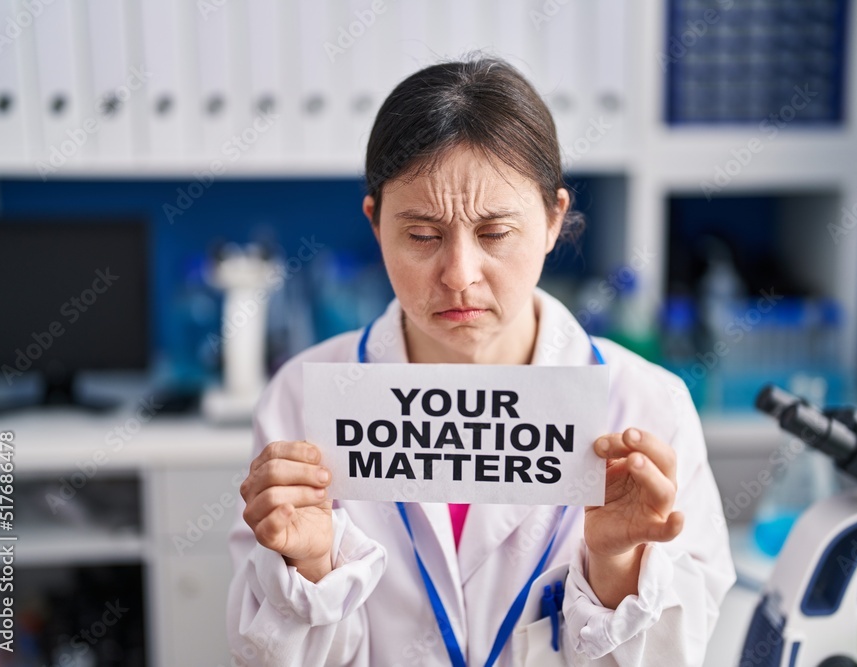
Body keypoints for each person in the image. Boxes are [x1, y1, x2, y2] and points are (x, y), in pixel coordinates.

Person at [228, 57, 735, 666]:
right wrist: (308, 572)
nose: (459, 276)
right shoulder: (301, 399)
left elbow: (680, 656)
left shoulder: (649, 406)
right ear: (376, 222)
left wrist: (617, 567)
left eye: (495, 233)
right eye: (421, 235)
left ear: (552, 219)